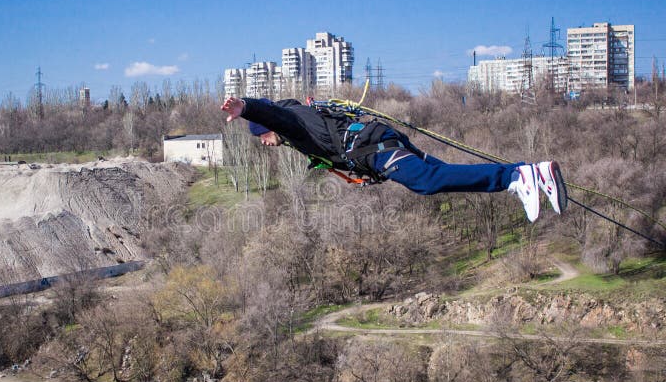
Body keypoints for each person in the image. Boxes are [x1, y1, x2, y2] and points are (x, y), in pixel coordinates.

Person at [221, 96, 567, 223]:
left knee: (428, 183)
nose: (265, 143)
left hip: (379, 150)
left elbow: (277, 117)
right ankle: (529, 175)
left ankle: (518, 177)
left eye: (261, 136)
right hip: (379, 145)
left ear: (268, 127)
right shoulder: (302, 116)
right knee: (440, 174)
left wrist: (247, 108)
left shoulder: (292, 122)